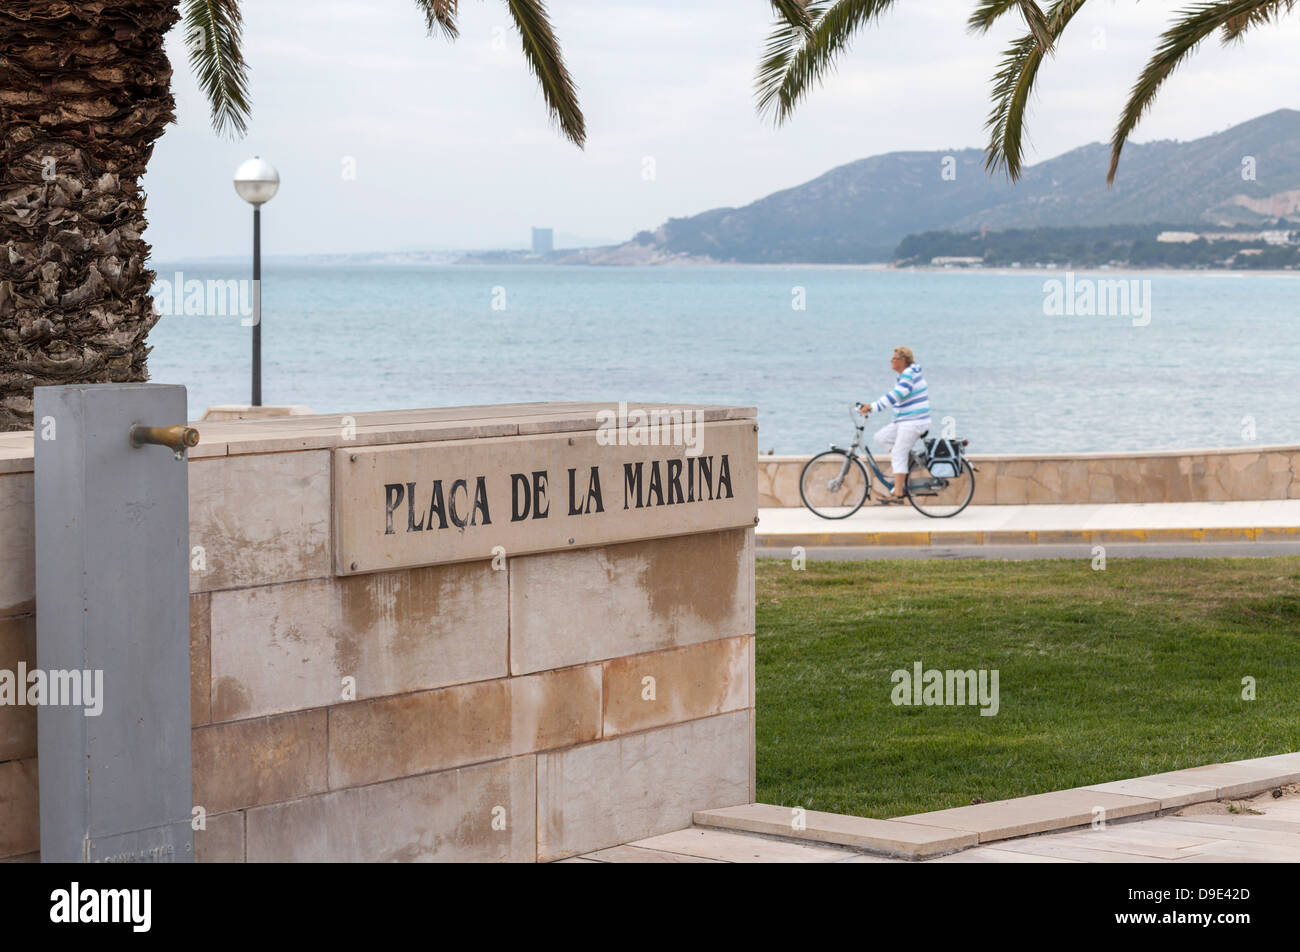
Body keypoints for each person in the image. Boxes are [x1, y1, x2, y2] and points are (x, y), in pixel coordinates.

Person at [860, 346, 930, 502]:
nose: (891, 361)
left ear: (903, 360)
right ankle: (905, 464)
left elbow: (897, 395)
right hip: (904, 421)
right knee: (880, 438)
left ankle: (898, 492)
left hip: (914, 421)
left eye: (894, 358)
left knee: (898, 453)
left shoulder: (908, 375)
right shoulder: (905, 375)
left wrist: (873, 406)